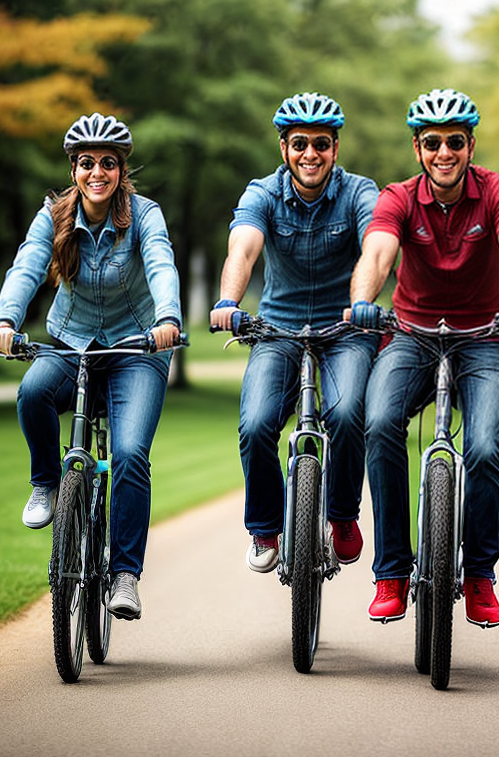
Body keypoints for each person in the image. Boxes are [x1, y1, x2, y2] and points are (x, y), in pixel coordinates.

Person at [349, 88, 499, 628]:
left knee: (483, 449)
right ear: (417, 148)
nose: (443, 152)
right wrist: (363, 303)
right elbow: (378, 253)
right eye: (432, 142)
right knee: (381, 422)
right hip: (411, 334)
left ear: (470, 145)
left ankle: (480, 576)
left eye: (454, 141)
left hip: (486, 336)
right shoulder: (398, 197)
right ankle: (391, 572)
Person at [0, 112, 182, 621]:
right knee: (32, 394)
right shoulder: (52, 216)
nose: (97, 172)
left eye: (108, 163)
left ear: (121, 169)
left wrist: (168, 318)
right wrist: (6, 320)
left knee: (130, 452)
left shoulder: (143, 214)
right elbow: (28, 264)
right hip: (71, 343)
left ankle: (124, 574)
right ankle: (46, 482)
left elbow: (161, 262)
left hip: (136, 349)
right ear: (74, 168)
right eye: (87, 162)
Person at [209, 92, 380, 574]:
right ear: (283, 148)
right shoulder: (261, 193)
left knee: (347, 414)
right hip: (277, 328)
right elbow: (242, 249)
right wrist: (228, 302)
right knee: (257, 423)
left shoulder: (360, 192)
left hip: (346, 327)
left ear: (335, 148)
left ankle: (343, 516)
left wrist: (364, 302)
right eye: (300, 143)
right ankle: (265, 526)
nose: (311, 153)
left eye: (321, 144)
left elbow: (375, 245)